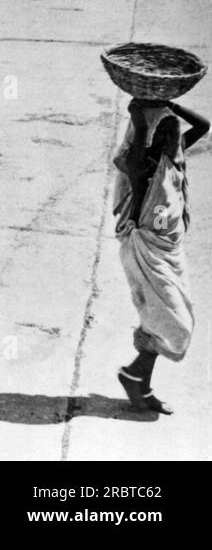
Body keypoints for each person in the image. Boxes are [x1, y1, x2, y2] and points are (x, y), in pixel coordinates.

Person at [112, 95, 208, 414]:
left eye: (174, 134)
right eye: (166, 135)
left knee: (159, 321)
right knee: (177, 325)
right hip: (146, 254)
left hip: (167, 252)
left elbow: (205, 125)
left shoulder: (174, 159)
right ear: (156, 138)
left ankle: (139, 383)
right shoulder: (144, 170)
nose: (173, 139)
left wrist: (172, 107)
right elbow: (137, 149)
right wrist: (140, 122)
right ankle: (133, 375)